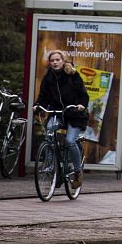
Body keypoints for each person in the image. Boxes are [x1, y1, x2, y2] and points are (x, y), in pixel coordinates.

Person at [35, 50, 89, 188]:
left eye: (58, 60)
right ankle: (52, 167)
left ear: (63, 61)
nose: (55, 62)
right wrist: (37, 106)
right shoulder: (48, 77)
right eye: (52, 60)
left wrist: (82, 104)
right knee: (49, 133)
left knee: (70, 141)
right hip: (58, 113)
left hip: (75, 115)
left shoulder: (72, 74)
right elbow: (43, 96)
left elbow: (83, 93)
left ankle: (77, 171)